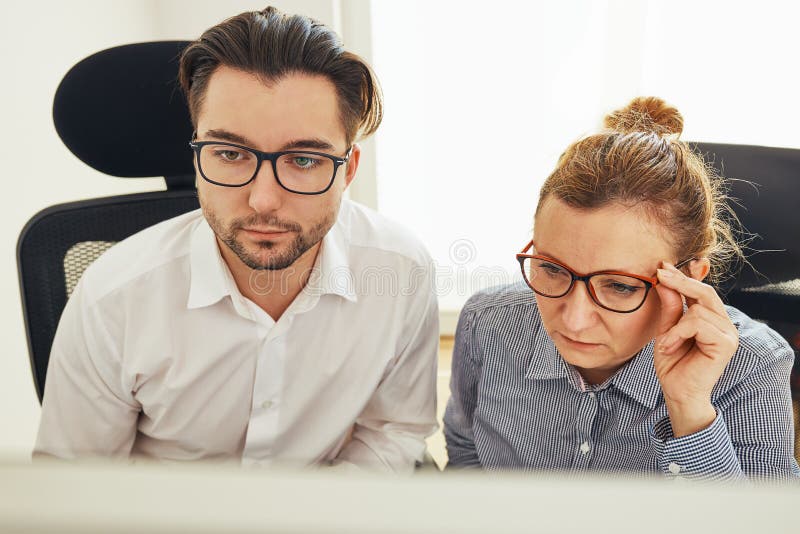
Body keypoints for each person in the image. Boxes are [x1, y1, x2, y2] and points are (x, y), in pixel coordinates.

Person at [34, 6, 438, 472]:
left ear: (347, 171)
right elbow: (77, 485)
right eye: (230, 153)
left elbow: (393, 433)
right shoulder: (112, 299)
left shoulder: (401, 271)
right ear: (197, 156)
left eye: (303, 160)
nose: (263, 200)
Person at [444, 97, 799, 481]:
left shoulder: (753, 367)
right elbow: (466, 455)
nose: (574, 321)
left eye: (619, 286)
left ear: (691, 276)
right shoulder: (488, 323)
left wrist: (690, 410)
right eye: (551, 268)